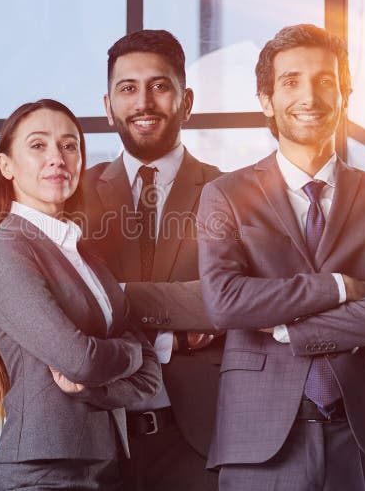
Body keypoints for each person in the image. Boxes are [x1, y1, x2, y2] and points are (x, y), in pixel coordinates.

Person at [198, 23, 365, 489]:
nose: (310, 96)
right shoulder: (225, 195)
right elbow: (226, 302)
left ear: (344, 96)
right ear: (266, 100)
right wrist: (338, 288)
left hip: (364, 430)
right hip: (259, 433)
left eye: (325, 81)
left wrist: (286, 328)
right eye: (291, 81)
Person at [0, 99, 162, 491]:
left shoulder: (85, 255)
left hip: (108, 467)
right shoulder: (3, 247)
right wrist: (129, 352)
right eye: (38, 145)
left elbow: (150, 375)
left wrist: (104, 377)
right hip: (43, 471)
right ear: (6, 165)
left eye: (69, 145)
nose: (57, 158)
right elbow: (79, 359)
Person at [82, 29, 221, 491]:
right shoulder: (70, 196)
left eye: (160, 86)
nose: (143, 102)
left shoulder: (233, 193)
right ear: (107, 106)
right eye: (128, 88)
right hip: (95, 438)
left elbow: (229, 299)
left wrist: (118, 298)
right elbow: (69, 307)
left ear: (187, 101)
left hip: (200, 444)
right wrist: (172, 335)